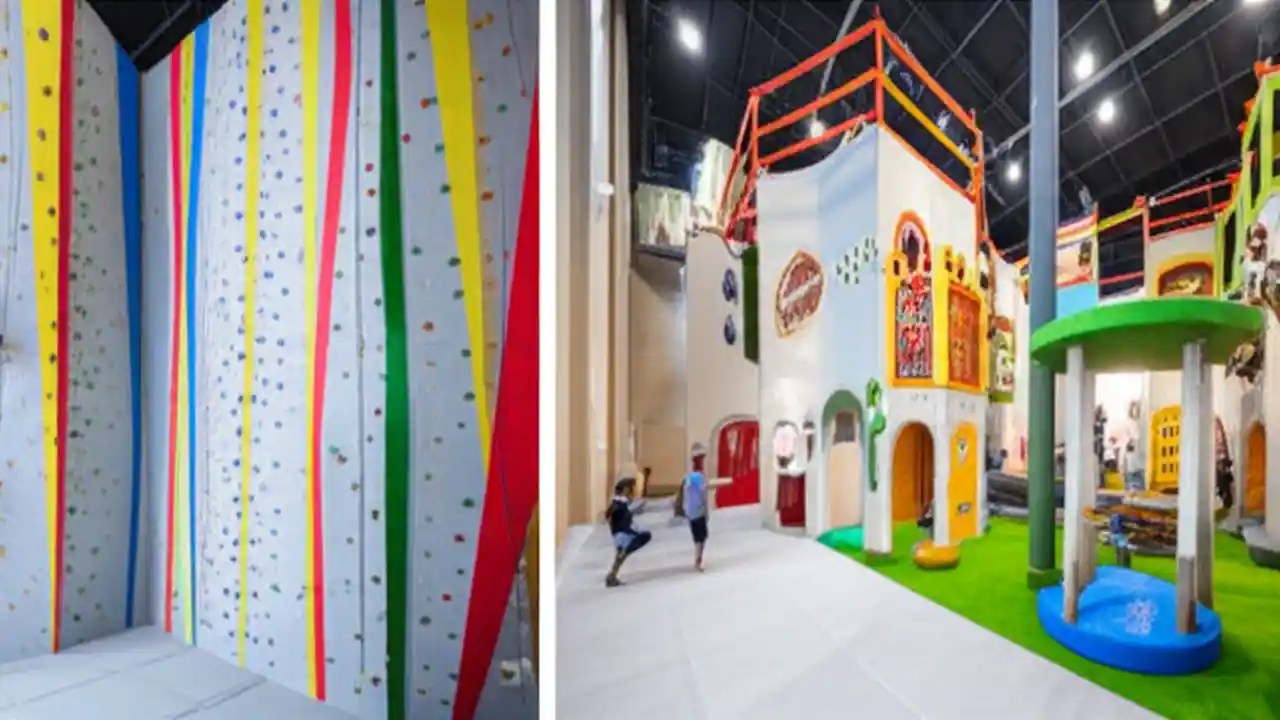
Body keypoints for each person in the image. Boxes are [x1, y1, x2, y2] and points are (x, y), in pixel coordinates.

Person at [605, 475, 650, 588]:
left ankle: (612, 576)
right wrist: (614, 529)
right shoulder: (618, 502)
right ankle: (612, 575)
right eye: (633, 488)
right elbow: (609, 514)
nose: (634, 491)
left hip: (623, 531)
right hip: (622, 532)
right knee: (643, 537)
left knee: (620, 557)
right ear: (626, 489)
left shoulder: (622, 502)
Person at [683, 444, 710, 571]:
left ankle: (698, 558)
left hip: (690, 510)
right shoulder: (699, 477)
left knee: (697, 536)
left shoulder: (689, 477)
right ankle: (698, 560)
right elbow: (702, 495)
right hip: (698, 510)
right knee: (701, 536)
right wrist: (706, 510)